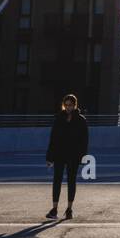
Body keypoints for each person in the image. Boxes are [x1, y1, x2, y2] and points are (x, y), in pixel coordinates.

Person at [45, 93, 89, 221]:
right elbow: (53, 139)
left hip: (74, 155)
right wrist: (49, 156)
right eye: (66, 105)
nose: (68, 107)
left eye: (71, 105)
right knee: (57, 180)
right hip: (59, 154)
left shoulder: (81, 120)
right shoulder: (59, 119)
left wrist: (83, 156)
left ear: (75, 105)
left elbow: (84, 140)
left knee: (71, 181)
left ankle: (69, 209)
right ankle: (54, 209)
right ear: (64, 106)